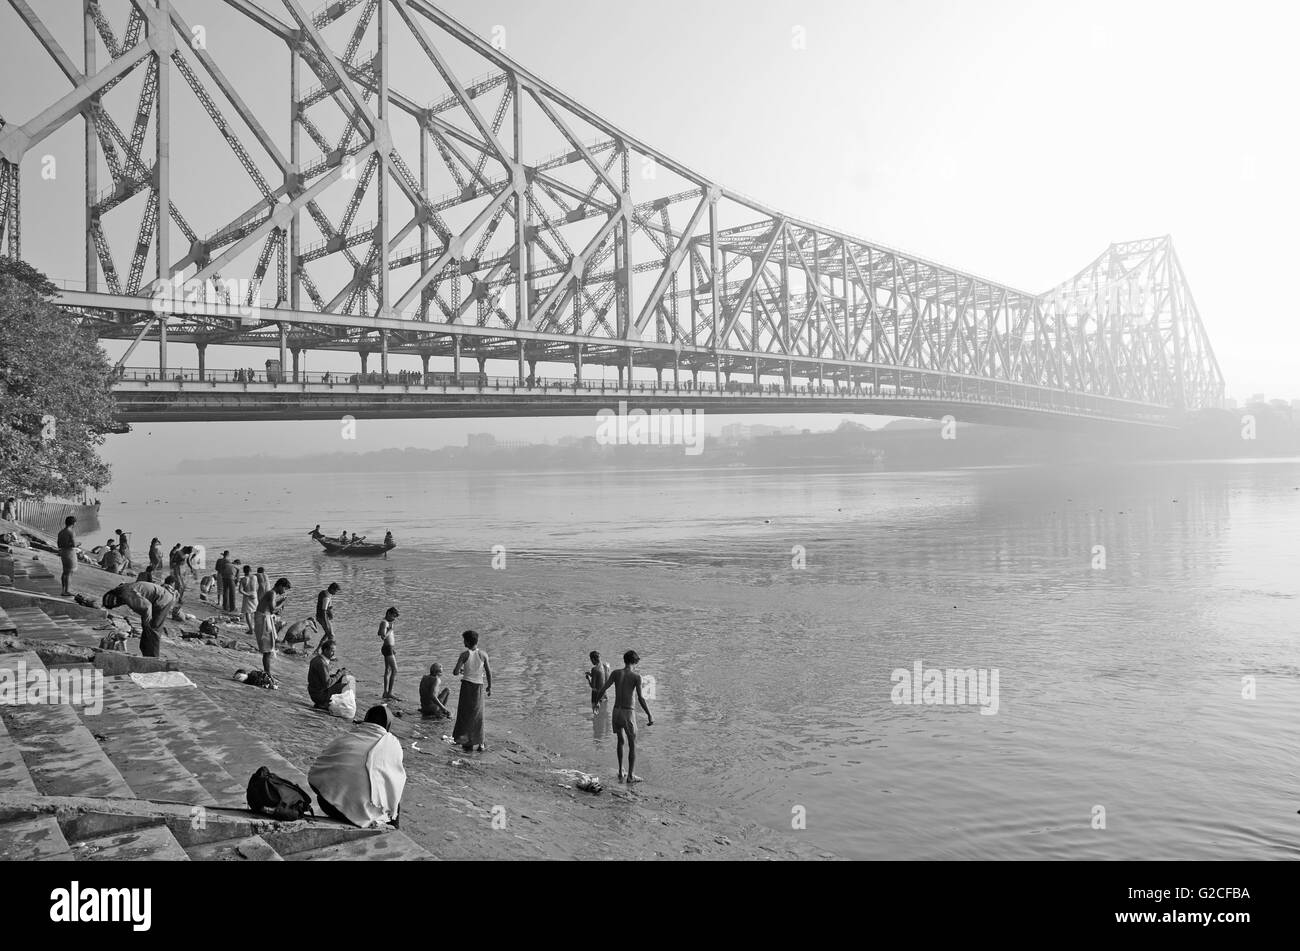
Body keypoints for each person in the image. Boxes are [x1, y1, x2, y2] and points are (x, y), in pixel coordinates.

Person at [307, 705, 405, 829]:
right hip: (365, 814)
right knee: (395, 785)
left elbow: (313, 777)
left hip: (329, 806)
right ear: (388, 725)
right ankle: (394, 830)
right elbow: (394, 783)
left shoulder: (346, 737)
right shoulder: (392, 743)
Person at [595, 650, 654, 784]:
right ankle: (631, 776)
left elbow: (603, 688)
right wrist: (649, 715)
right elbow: (641, 698)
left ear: (624, 660)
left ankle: (621, 770)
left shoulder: (616, 673)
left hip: (616, 711)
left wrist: (597, 703)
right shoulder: (636, 676)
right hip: (628, 712)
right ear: (635, 662)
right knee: (632, 744)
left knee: (620, 741)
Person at [103, 580, 177, 658]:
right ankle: (147, 655)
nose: (116, 603)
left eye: (115, 603)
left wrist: (146, 622)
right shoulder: (121, 590)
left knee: (152, 631)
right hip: (159, 598)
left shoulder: (126, 594)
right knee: (146, 632)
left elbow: (147, 607)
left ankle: (153, 660)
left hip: (163, 600)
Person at [451, 630, 492, 752]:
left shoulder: (464, 655)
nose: (463, 642)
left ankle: (466, 740)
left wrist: (463, 670)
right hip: (478, 687)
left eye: (464, 640)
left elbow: (455, 672)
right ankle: (480, 742)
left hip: (467, 687)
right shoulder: (483, 654)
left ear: (468, 642)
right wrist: (490, 687)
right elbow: (488, 672)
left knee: (465, 714)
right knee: (478, 714)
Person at [254, 578, 291, 688]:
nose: (284, 591)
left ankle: (268, 672)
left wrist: (280, 601)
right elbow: (273, 610)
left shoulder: (272, 593)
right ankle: (268, 673)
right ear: (280, 585)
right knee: (268, 649)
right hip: (263, 619)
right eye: (284, 588)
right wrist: (282, 603)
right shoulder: (272, 593)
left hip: (264, 618)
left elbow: (271, 606)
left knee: (269, 648)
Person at [308, 640, 350, 710]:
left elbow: (321, 679)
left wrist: (338, 675)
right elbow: (327, 683)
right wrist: (340, 673)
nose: (333, 654)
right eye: (332, 651)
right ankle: (326, 704)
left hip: (314, 693)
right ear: (325, 650)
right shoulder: (322, 663)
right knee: (347, 686)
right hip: (319, 695)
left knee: (340, 678)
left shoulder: (316, 659)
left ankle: (327, 703)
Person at [377, 607, 399, 700]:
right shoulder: (385, 622)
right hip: (388, 648)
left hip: (389, 648)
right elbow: (383, 636)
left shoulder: (385, 622)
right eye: (393, 616)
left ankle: (385, 692)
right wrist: (390, 630)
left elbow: (378, 633)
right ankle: (389, 692)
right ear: (389, 613)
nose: (394, 619)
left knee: (388, 670)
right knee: (395, 670)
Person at [56, 515, 77, 597]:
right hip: (70, 553)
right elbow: (74, 544)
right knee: (69, 572)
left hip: (63, 552)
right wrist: (78, 544)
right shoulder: (71, 532)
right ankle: (67, 591)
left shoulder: (61, 532)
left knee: (65, 571)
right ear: (74, 523)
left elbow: (59, 544)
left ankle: (63, 590)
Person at [238, 564, 258, 634]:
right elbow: (257, 587)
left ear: (244, 571)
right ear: (250, 570)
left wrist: (248, 595)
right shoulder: (255, 577)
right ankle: (257, 628)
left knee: (248, 613)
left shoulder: (243, 579)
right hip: (254, 595)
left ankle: (251, 629)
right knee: (255, 612)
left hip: (247, 595)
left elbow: (240, 590)